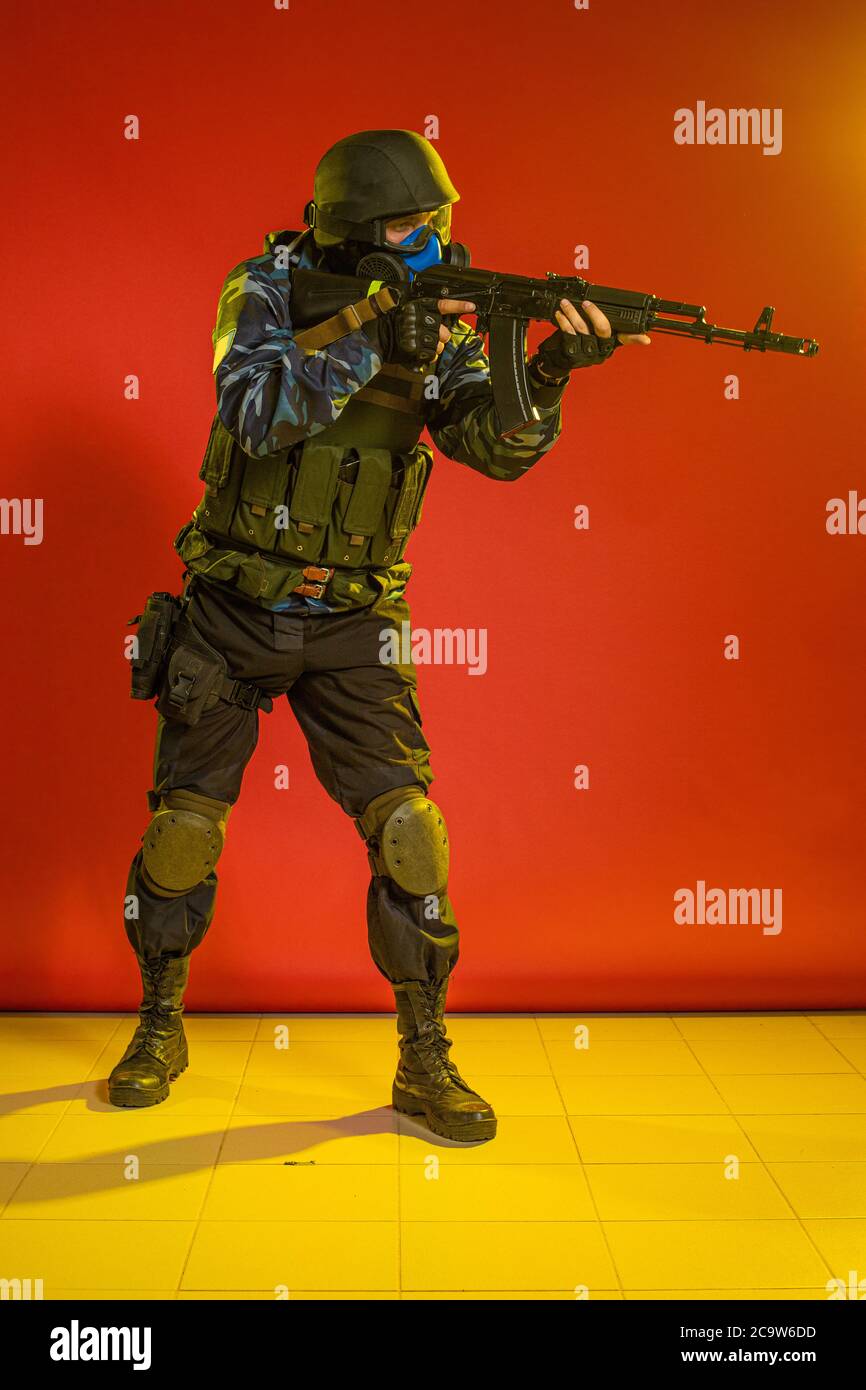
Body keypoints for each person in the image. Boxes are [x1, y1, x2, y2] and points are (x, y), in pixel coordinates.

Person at [108, 129, 650, 1142]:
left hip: (356, 616)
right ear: (353, 233)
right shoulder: (265, 289)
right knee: (183, 831)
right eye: (410, 226)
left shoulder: (439, 324)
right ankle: (157, 1024)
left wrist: (551, 369)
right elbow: (252, 410)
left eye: (438, 222)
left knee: (411, 834)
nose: (432, 241)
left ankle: (422, 1054)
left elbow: (497, 448)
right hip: (229, 607)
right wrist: (368, 340)